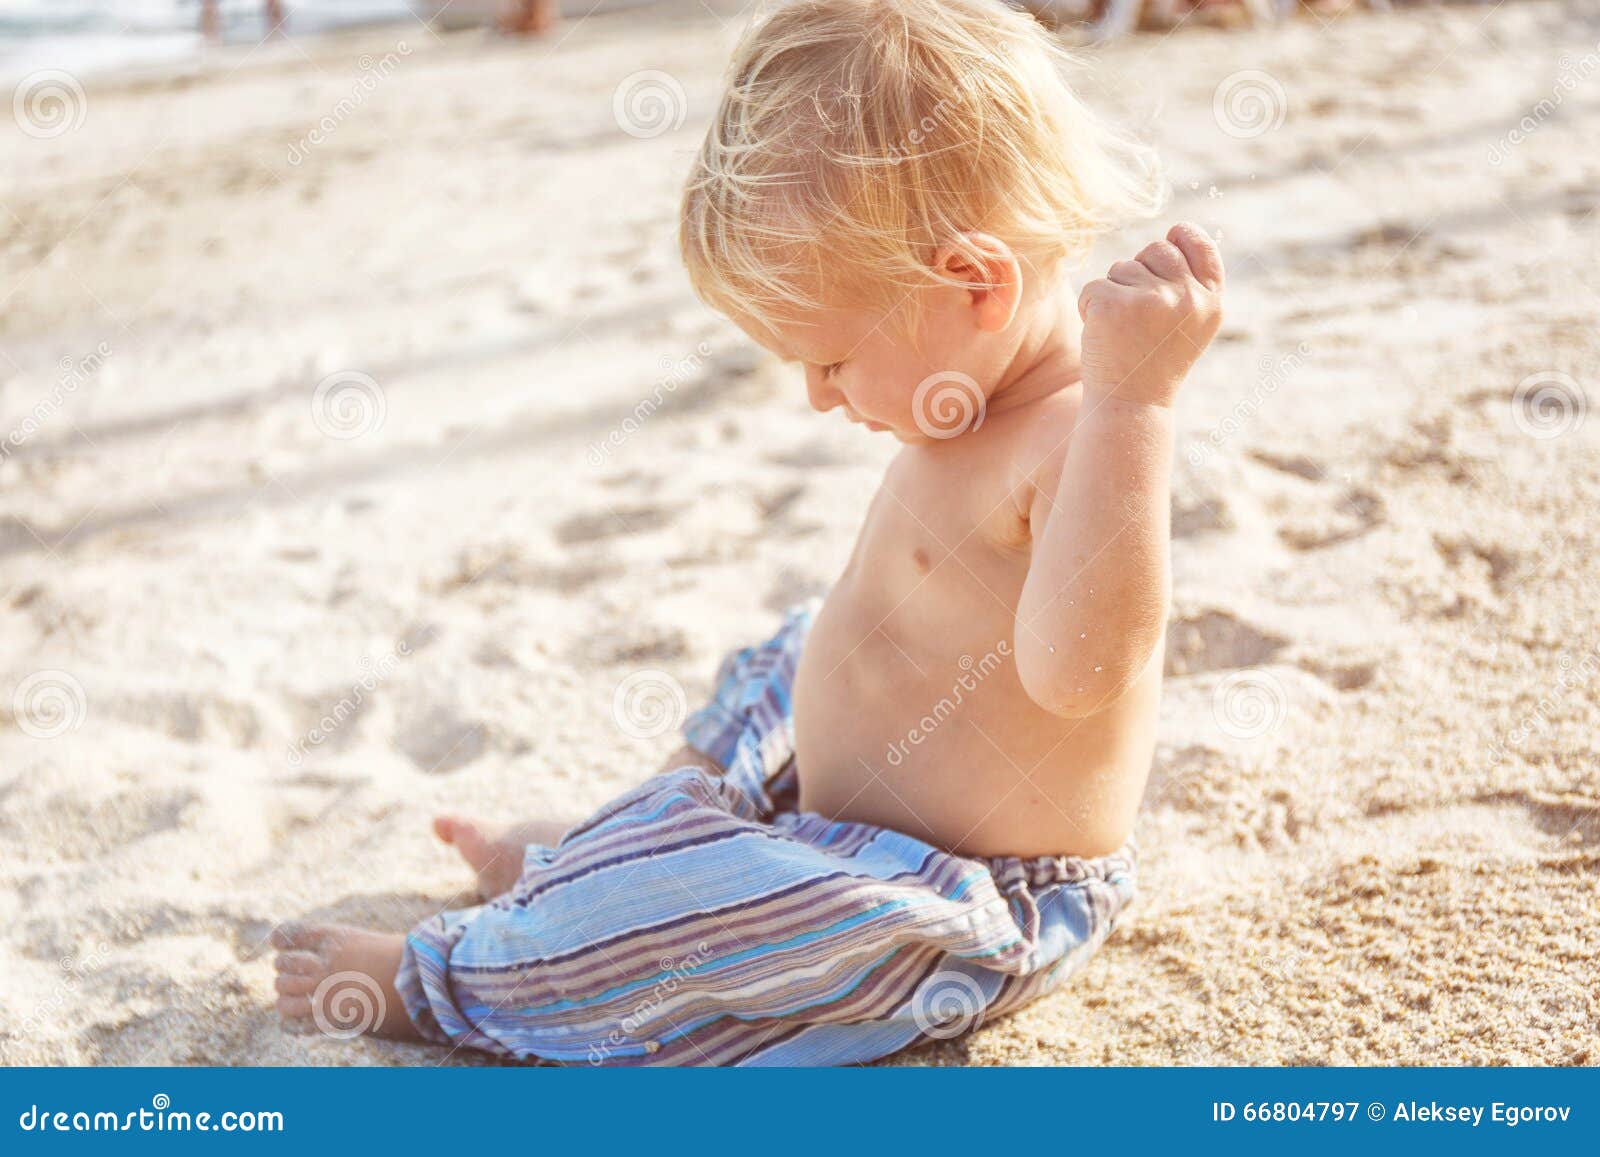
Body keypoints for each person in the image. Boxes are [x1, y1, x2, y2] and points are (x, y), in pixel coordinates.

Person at [274, 0, 1223, 1066]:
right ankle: (599, 850)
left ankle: (454, 972)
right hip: (822, 816)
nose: (818, 397)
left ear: (972, 284)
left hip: (937, 897)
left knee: (704, 908)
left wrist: (1135, 408)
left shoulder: (1077, 440)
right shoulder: (972, 390)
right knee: (787, 653)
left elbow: (1081, 668)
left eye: (829, 360)